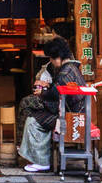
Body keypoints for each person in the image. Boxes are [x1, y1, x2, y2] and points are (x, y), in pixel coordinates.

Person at [18, 37, 86, 172]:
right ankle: (38, 156)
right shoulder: (71, 68)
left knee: (32, 118)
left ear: (58, 57)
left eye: (51, 58)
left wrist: (42, 94)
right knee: (33, 113)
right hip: (71, 112)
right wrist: (47, 88)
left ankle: (41, 161)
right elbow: (57, 91)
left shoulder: (65, 72)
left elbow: (55, 95)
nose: (50, 61)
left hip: (68, 118)